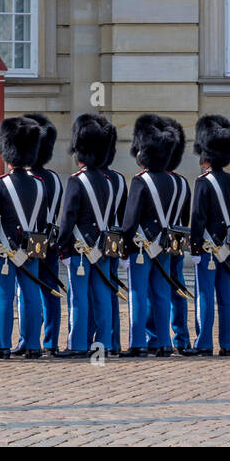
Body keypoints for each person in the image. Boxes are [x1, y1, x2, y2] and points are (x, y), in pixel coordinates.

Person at [57, 113, 117, 357]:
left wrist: (62, 245)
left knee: (79, 298)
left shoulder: (76, 181)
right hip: (102, 247)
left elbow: (68, 216)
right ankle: (104, 344)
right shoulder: (110, 181)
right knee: (102, 297)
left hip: (80, 249)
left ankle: (78, 344)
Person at [120, 114, 180, 357]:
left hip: (141, 248)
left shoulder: (140, 181)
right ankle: (164, 342)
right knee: (162, 294)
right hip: (164, 246)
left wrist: (124, 248)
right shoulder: (174, 182)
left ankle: (138, 342)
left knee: (138, 294)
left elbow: (130, 218)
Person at [0, 117, 46, 359]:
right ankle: (33, 344)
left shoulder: (0, 184)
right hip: (32, 248)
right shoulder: (39, 184)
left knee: (5, 297)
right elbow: (42, 221)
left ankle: (3, 345)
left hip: (5, 249)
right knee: (32, 296)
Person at [191, 115, 230, 357]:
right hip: (229, 247)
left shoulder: (203, 182)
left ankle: (203, 343)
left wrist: (194, 248)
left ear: (206, 155)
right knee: (226, 298)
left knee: (205, 296)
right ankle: (228, 344)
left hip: (208, 249)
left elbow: (198, 219)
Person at [23, 113, 64, 355]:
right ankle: (51, 342)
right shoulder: (54, 178)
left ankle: (29, 341)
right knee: (51, 291)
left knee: (28, 292)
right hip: (51, 239)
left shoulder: (27, 179)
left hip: (29, 242)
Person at [162, 117, 195, 355]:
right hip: (176, 241)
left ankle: (156, 338)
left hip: (155, 244)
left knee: (157, 292)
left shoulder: (149, 180)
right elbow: (184, 219)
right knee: (177, 290)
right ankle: (182, 338)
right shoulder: (182, 183)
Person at [99, 122, 127, 355]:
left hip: (93, 244)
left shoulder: (90, 178)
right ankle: (113, 342)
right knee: (110, 292)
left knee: (92, 295)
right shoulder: (118, 179)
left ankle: (95, 341)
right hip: (114, 241)